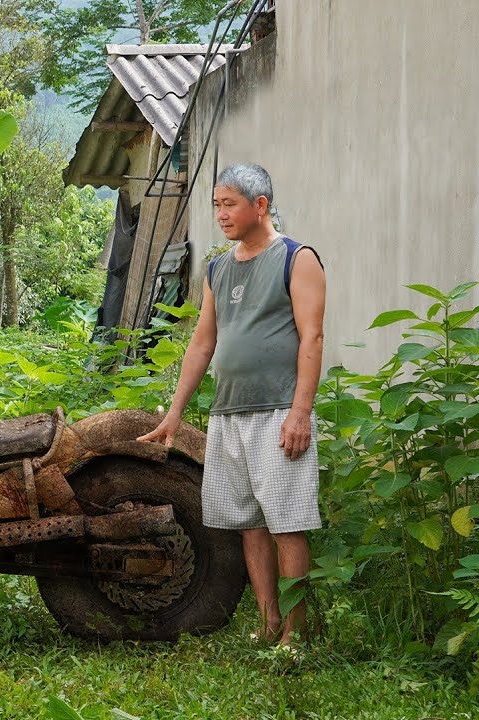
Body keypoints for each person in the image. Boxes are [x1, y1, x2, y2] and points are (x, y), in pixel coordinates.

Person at [138, 163, 326, 646]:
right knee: (248, 523)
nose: (220, 214)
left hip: (278, 412)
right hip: (229, 414)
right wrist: (175, 413)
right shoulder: (219, 268)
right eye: (216, 205)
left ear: (259, 205)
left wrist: (300, 412)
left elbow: (313, 338)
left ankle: (295, 633)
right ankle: (267, 624)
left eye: (230, 204)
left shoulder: (296, 258)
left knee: (287, 523)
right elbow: (202, 344)